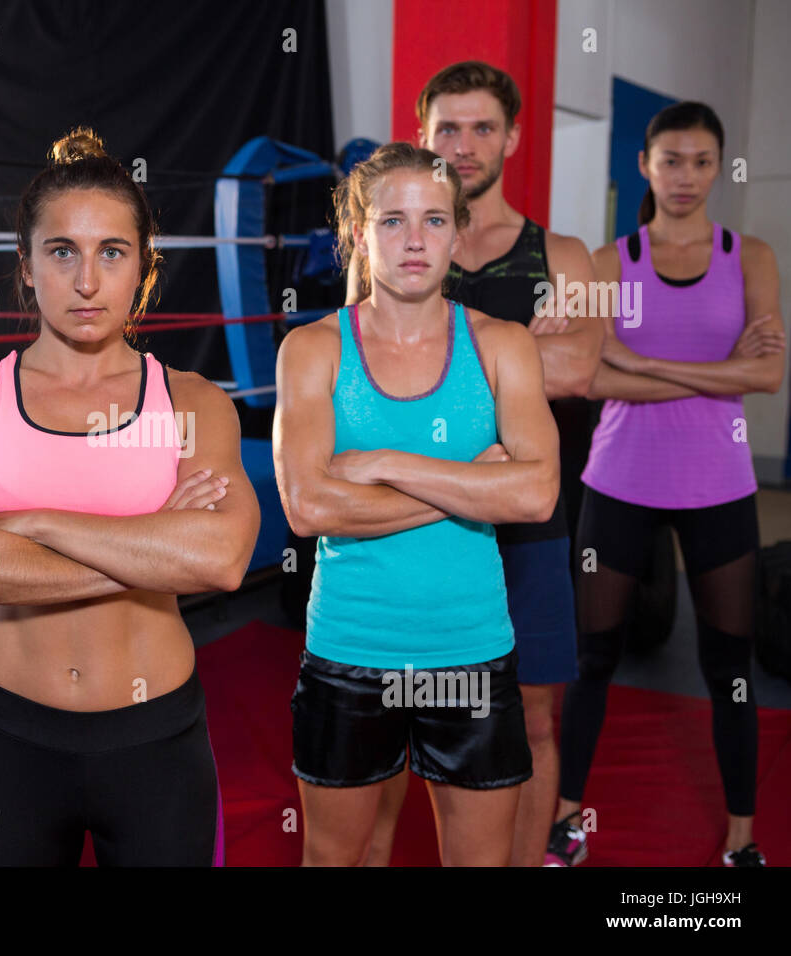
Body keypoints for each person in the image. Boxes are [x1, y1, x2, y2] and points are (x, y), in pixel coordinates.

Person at [0, 128, 260, 866]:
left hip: (156, 742)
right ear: (27, 269)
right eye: (62, 251)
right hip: (11, 744)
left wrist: (31, 523)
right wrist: (156, 544)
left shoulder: (192, 400)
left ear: (144, 270)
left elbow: (222, 560)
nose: (87, 281)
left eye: (112, 252)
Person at [276, 141, 560, 866]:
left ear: (459, 235)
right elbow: (307, 508)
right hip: (349, 648)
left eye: (434, 221)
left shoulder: (502, 345)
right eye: (392, 221)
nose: (413, 241)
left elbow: (536, 493)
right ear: (357, 235)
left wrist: (383, 464)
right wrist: (469, 481)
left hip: (468, 650)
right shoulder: (313, 349)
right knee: (334, 859)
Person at [357, 61, 604, 868]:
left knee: (531, 717)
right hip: (406, 521)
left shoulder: (564, 254)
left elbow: (581, 371)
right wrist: (519, 353)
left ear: (514, 137)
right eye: (447, 130)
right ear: (423, 136)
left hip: (525, 521)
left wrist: (514, 362)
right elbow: (366, 368)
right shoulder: (398, 244)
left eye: (482, 128)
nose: (464, 146)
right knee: (390, 715)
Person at [550, 102, 784, 868]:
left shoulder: (750, 255)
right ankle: (566, 820)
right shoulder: (609, 263)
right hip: (619, 479)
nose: (686, 176)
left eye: (702, 161)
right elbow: (587, 375)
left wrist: (643, 364)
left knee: (730, 670)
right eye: (671, 161)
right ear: (646, 166)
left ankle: (743, 835)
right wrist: (721, 376)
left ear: (720, 168)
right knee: (591, 660)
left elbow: (771, 373)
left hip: (719, 483)